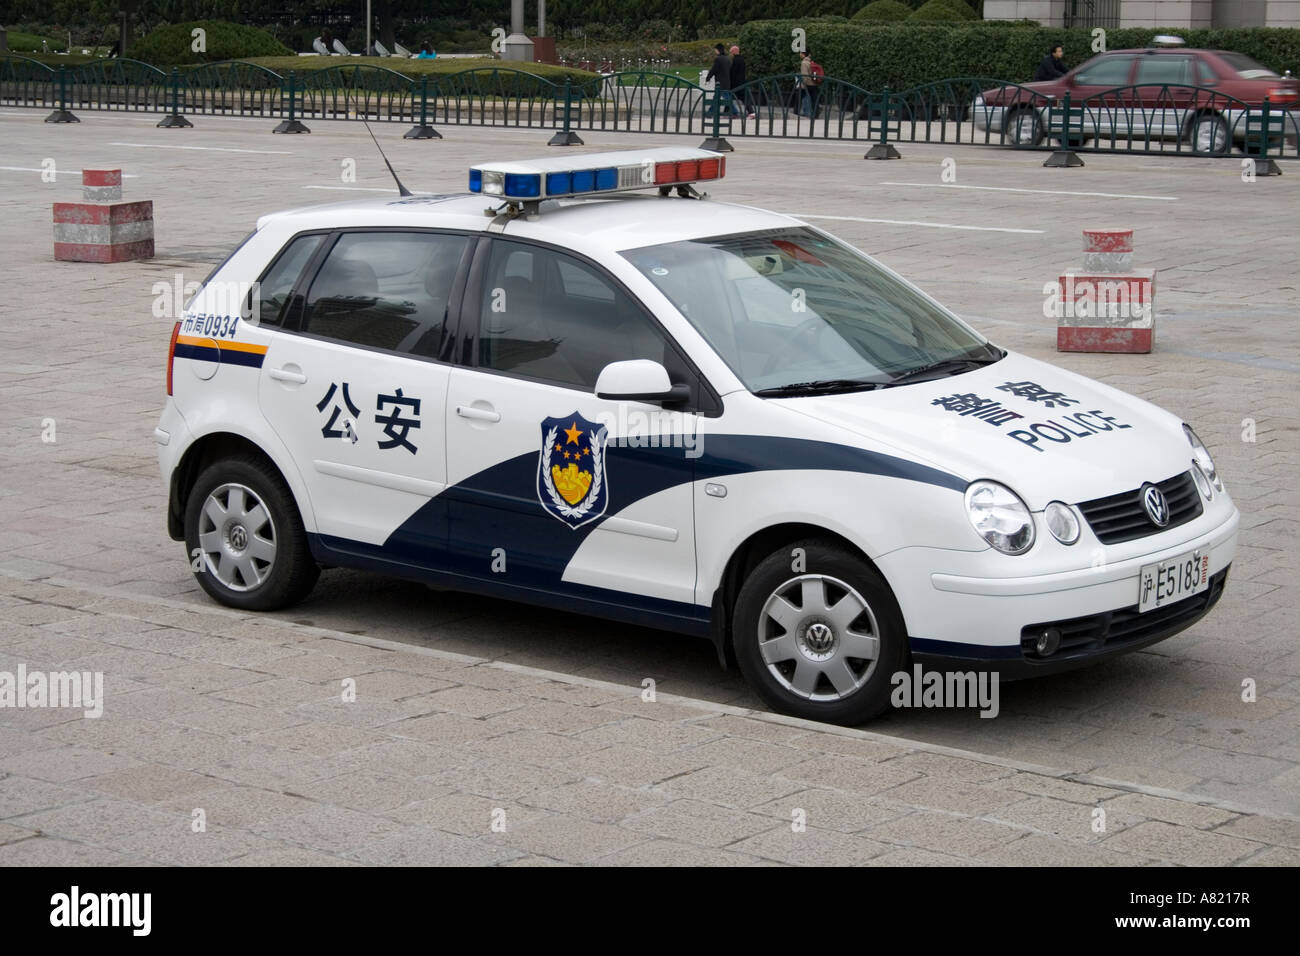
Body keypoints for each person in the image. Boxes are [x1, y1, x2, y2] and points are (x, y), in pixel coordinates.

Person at [706, 43, 736, 118]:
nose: (715, 52)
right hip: (727, 82)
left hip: (720, 83)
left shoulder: (718, 59)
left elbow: (714, 69)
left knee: (726, 99)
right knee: (716, 98)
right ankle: (710, 112)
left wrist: (708, 78)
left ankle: (735, 111)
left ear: (718, 50)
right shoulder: (728, 59)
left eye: (716, 50)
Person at [729, 44, 754, 119]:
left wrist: (730, 80)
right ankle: (750, 112)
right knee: (742, 98)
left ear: (734, 51)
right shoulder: (742, 59)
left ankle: (734, 113)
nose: (730, 54)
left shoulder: (736, 60)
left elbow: (733, 72)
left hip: (736, 83)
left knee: (729, 97)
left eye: (731, 52)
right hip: (742, 82)